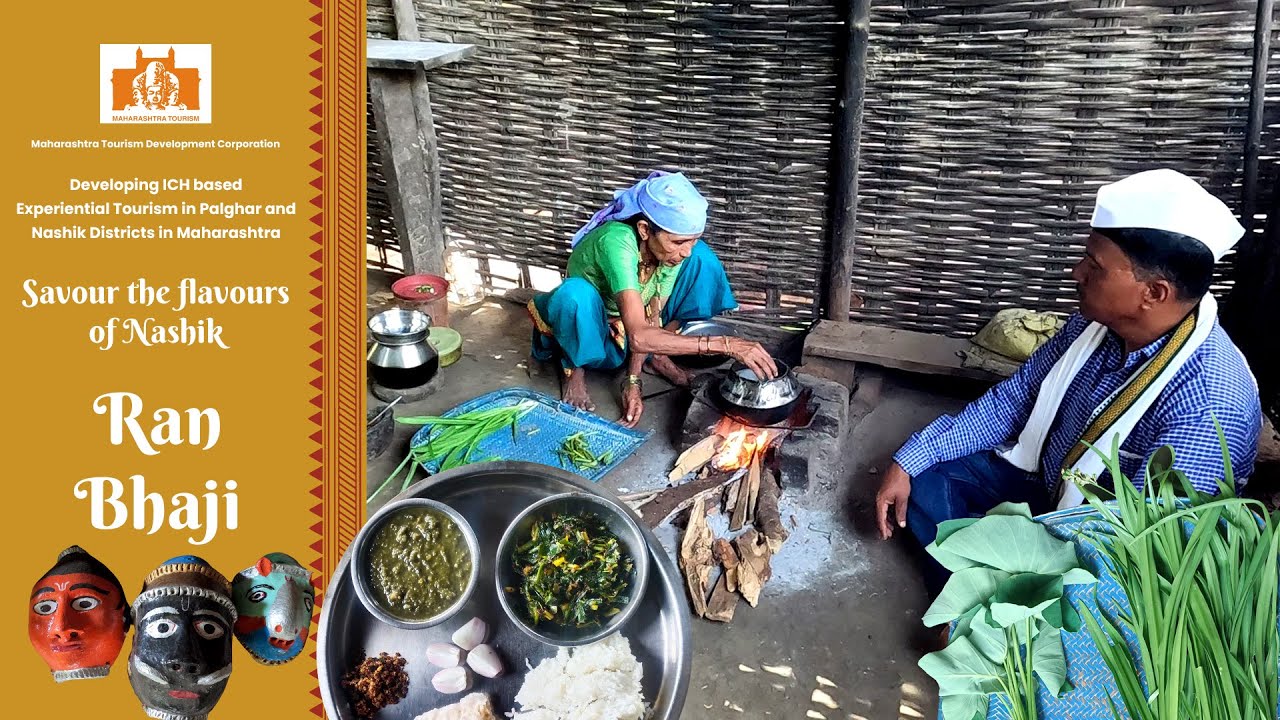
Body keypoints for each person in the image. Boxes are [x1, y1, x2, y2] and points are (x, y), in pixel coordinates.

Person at [874, 168, 1262, 595]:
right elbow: (1014, 399)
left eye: (1094, 266)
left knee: (1074, 603)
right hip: (1049, 483)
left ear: (1154, 293)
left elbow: (1145, 547)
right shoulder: (1092, 326)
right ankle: (986, 592)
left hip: (1107, 540)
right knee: (927, 480)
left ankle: (987, 597)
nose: (1077, 273)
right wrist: (910, 459)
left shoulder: (1206, 403)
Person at [529, 171, 777, 426]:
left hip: (633, 325)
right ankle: (574, 370)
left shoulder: (667, 251)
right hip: (593, 323)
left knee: (702, 258)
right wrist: (727, 344)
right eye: (680, 241)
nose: (685, 251)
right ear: (645, 230)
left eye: (692, 240)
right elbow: (638, 336)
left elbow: (651, 316)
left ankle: (657, 356)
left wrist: (633, 381)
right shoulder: (616, 242)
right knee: (575, 296)